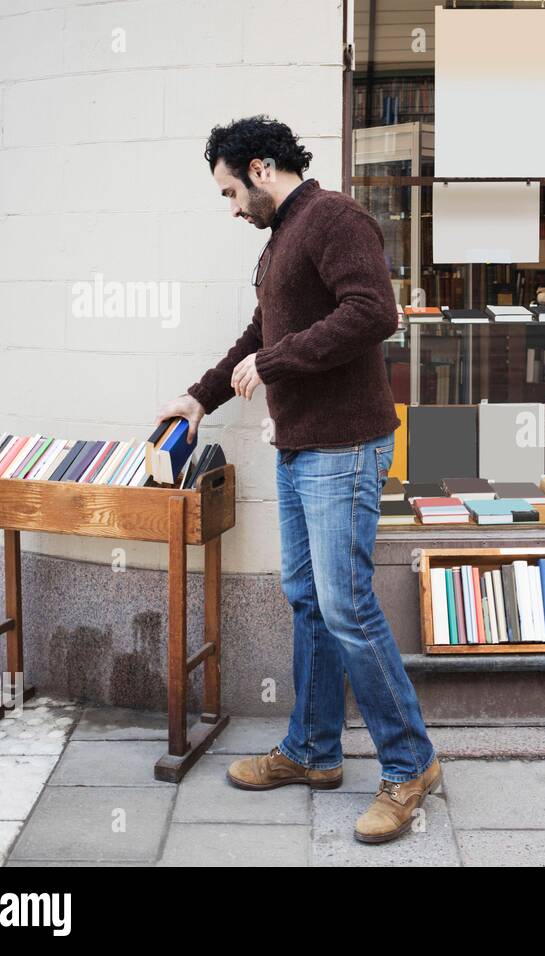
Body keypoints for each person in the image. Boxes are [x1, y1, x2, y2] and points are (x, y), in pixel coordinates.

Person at [155, 116, 439, 845]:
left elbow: (376, 313)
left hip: (345, 447)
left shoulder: (334, 217)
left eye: (229, 192)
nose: (231, 209)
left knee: (347, 607)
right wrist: (199, 397)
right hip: (303, 447)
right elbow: (261, 335)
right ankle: (313, 752)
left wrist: (278, 365)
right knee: (309, 601)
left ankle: (410, 764)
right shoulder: (284, 235)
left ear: (259, 168)